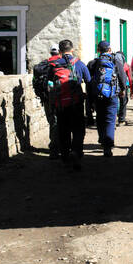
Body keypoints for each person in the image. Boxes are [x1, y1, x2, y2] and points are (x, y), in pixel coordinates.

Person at [44, 39, 90, 169]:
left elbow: (47, 83)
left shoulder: (54, 65)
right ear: (72, 49)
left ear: (59, 51)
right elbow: (89, 81)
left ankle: (65, 157)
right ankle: (76, 152)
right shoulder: (79, 64)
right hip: (76, 103)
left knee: (63, 130)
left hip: (61, 104)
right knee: (78, 130)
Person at [87, 40, 128, 156]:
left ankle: (101, 139)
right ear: (109, 50)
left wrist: (90, 97)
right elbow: (122, 76)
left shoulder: (93, 63)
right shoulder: (115, 61)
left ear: (98, 51)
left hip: (98, 95)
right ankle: (108, 146)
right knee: (110, 120)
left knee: (100, 118)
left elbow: (89, 81)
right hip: (112, 95)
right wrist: (123, 90)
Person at [31, 44, 62, 156]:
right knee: (59, 122)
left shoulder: (42, 65)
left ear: (50, 53)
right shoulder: (63, 63)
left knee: (52, 121)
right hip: (61, 97)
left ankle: (55, 146)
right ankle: (56, 148)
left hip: (46, 97)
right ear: (60, 52)